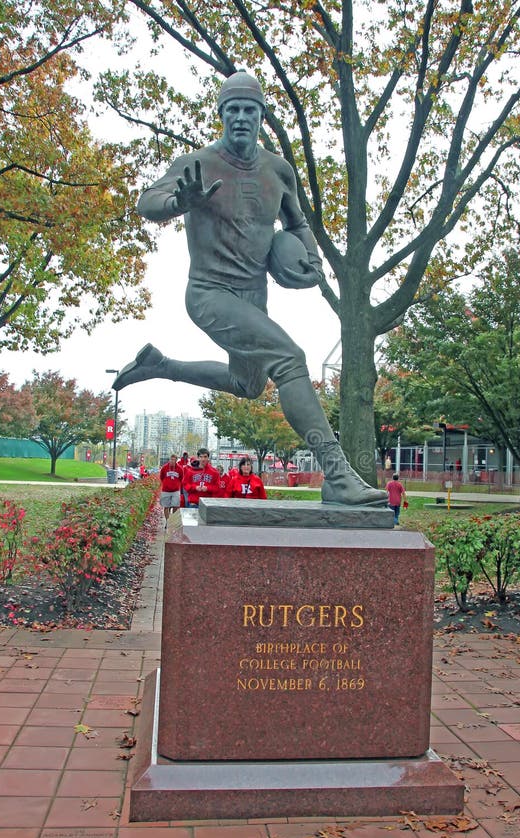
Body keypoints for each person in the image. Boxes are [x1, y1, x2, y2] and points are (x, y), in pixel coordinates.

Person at [112, 72, 386, 508]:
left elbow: (297, 222)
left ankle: (161, 365)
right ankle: (337, 474)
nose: (241, 117)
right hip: (209, 294)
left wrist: (310, 259)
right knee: (290, 358)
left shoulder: (279, 170)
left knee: (248, 384)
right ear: (221, 114)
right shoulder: (195, 163)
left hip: (254, 295)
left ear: (261, 115)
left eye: (250, 110)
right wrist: (178, 204)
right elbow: (147, 202)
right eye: (232, 109)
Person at [159, 454, 184, 520]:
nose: (172, 461)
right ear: (169, 460)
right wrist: (166, 483)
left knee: (176, 506)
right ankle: (167, 520)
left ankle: (172, 520)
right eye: (171, 459)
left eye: (174, 460)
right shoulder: (164, 468)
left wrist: (176, 484)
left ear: (176, 460)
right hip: (166, 490)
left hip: (175, 490)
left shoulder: (180, 469)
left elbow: (181, 478)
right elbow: (161, 477)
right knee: (166, 506)